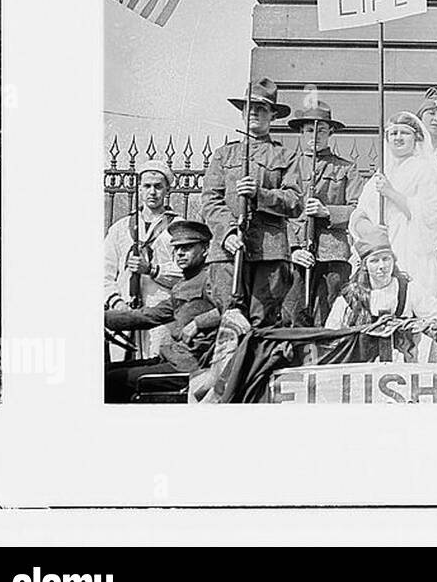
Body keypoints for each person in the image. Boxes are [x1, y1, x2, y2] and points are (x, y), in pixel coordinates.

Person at [202, 77, 302, 327]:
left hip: (269, 252)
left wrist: (261, 194)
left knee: (262, 322)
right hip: (227, 251)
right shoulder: (224, 155)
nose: (254, 113)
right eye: (249, 107)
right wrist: (227, 233)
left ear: (273, 116)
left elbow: (295, 201)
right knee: (229, 321)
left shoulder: (285, 156)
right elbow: (210, 201)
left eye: (262, 108)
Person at [104, 219, 224, 402]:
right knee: (107, 371)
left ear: (205, 250)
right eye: (176, 249)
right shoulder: (182, 285)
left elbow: (233, 310)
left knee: (110, 380)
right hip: (174, 358)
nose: (180, 253)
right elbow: (149, 316)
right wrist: (105, 319)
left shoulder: (212, 279)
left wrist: (198, 323)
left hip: (191, 366)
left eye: (188, 247)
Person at [350, 112, 437, 297]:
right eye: (393, 133)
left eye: (404, 133)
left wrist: (391, 193)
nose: (398, 137)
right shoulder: (382, 172)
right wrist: (369, 230)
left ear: (416, 138)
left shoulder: (425, 170)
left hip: (413, 247)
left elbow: (431, 214)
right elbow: (362, 211)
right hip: (383, 247)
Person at [283, 101, 362, 327]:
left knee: (330, 311)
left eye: (321, 130)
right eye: (309, 130)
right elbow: (279, 212)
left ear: (331, 133)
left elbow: (359, 210)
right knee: (292, 312)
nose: (315, 135)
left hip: (332, 254)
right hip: (297, 253)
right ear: (301, 132)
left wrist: (326, 211)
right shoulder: (290, 167)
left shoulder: (346, 168)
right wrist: (293, 249)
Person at [103, 160, 181, 357]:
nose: (152, 192)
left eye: (158, 186)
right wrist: (117, 303)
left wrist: (152, 270)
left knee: (153, 371)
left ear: (167, 190)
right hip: (125, 311)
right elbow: (104, 273)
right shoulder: (121, 228)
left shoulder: (178, 228)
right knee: (123, 371)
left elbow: (186, 274)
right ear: (139, 189)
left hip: (160, 313)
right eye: (147, 186)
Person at [324, 221, 437, 331]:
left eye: (386, 259)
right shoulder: (350, 297)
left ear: (393, 260)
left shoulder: (408, 290)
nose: (382, 266)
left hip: (401, 355)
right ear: (365, 266)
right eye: (374, 261)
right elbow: (331, 333)